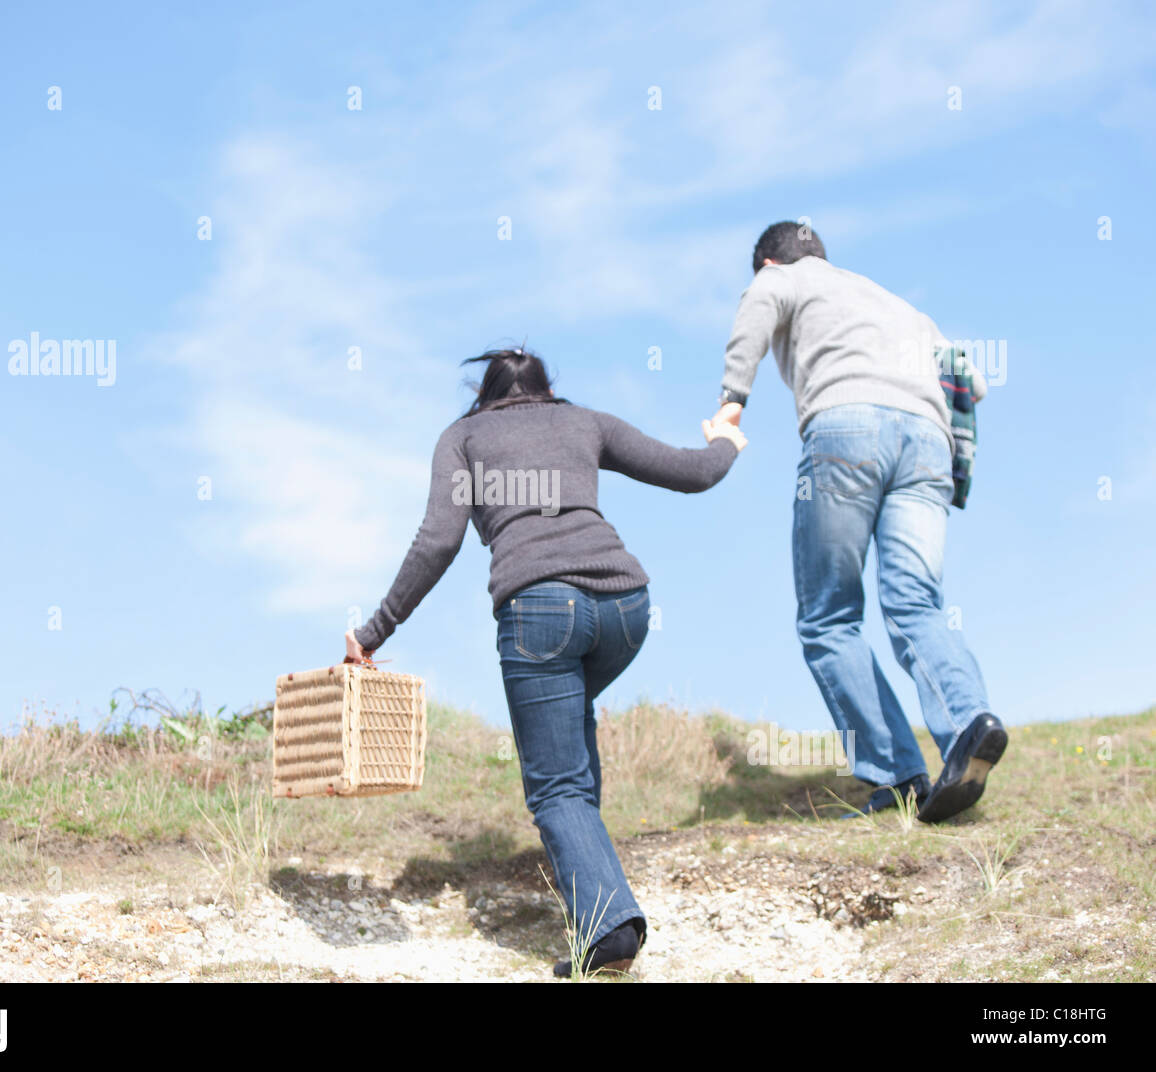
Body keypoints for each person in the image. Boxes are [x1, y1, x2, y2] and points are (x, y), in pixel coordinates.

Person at [346, 345, 747, 975]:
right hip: (626, 607)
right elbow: (695, 472)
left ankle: (610, 932)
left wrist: (374, 631)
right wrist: (725, 439)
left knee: (556, 782)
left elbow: (438, 539)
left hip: (540, 612)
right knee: (571, 751)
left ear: (485, 394)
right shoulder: (583, 421)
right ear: (544, 388)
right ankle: (598, 902)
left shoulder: (464, 436)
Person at [715, 222, 1005, 823]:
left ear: (771, 261)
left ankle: (896, 777)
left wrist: (731, 401)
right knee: (916, 603)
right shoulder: (895, 302)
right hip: (929, 443)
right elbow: (970, 379)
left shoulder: (781, 280)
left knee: (828, 618)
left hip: (846, 428)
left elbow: (757, 312)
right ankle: (968, 725)